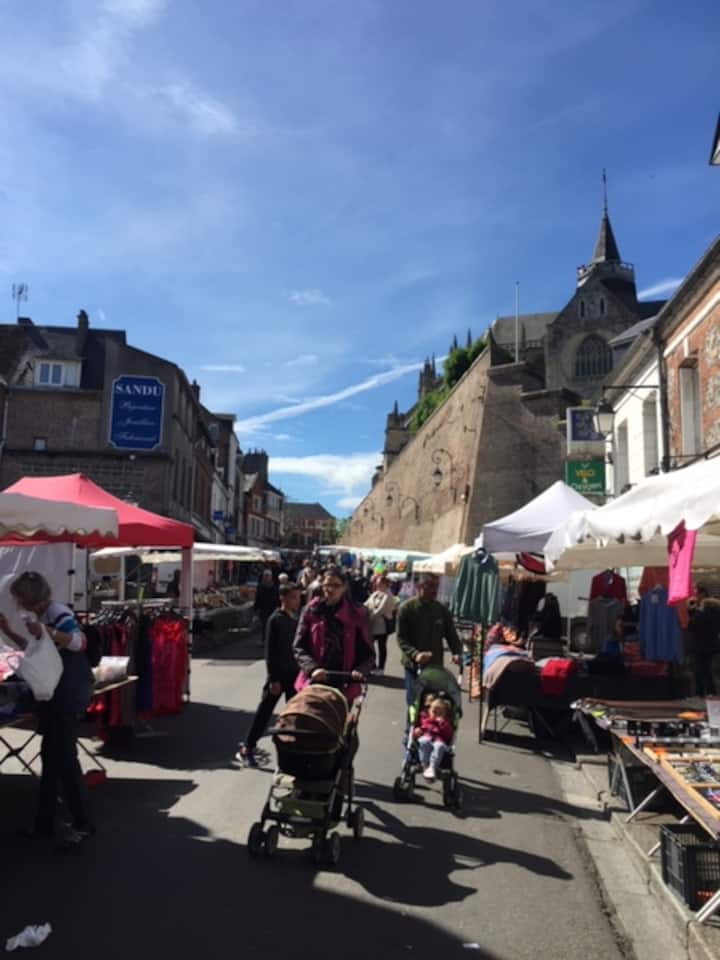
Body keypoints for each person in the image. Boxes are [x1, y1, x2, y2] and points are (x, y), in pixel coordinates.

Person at [0, 572, 94, 848]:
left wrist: (47, 631)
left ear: (29, 597)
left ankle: (83, 824)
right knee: (51, 761)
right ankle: (44, 825)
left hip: (67, 693)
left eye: (19, 598)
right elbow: (37, 650)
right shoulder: (40, 617)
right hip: (56, 695)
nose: (17, 603)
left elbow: (79, 642)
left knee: (64, 760)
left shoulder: (57, 612)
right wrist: (9, 632)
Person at [237, 583, 301, 767]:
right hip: (278, 676)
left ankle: (292, 753)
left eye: (298, 597)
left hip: (293, 675)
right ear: (283, 598)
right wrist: (273, 678)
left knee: (293, 716)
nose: (296, 601)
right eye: (293, 597)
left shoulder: (295, 619)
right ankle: (247, 747)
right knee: (265, 713)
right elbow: (270, 653)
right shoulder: (275, 620)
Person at [293, 566, 374, 703]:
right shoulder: (311, 610)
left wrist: (360, 670)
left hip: (344, 684)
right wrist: (312, 669)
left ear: (344, 587)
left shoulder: (358, 613)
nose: (330, 589)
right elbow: (298, 646)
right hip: (314, 681)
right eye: (327, 585)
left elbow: (368, 652)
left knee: (339, 722)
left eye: (336, 585)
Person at [397, 573, 462, 705]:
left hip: (435, 666)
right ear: (418, 586)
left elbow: (451, 634)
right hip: (414, 666)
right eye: (430, 586)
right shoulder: (406, 609)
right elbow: (401, 638)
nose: (434, 590)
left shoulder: (441, 609)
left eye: (437, 586)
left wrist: (456, 652)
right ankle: (412, 726)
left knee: (433, 704)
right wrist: (415, 655)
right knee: (414, 703)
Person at [687, 585, 720, 696]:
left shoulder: (703, 612)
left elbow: (692, 625)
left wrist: (694, 612)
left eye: (697, 594)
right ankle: (710, 693)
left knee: (702, 671)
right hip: (711, 645)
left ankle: (704, 694)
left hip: (701, 646)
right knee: (707, 671)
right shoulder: (715, 611)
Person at [412, 696, 454, 781]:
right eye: (434, 712)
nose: (436, 715)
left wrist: (443, 724)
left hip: (439, 739)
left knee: (439, 747)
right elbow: (422, 727)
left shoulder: (446, 722)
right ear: (429, 710)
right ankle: (425, 765)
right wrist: (417, 731)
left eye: (440, 713)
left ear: (444, 714)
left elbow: (449, 735)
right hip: (427, 736)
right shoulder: (425, 718)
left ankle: (432, 767)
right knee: (423, 742)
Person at [365, 575, 397, 675]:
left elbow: (380, 610)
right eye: (376, 583)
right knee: (368, 645)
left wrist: (367, 619)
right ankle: (372, 665)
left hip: (382, 626)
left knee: (381, 647)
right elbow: (366, 604)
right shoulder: (376, 593)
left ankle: (381, 668)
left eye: (379, 583)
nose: (377, 585)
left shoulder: (388, 595)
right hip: (373, 625)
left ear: (385, 584)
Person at [253, 569, 279, 646]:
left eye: (268, 576)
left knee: (272, 625)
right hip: (264, 608)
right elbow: (258, 598)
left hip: (272, 608)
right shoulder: (261, 586)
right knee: (265, 625)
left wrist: (278, 606)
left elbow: (277, 597)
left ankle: (272, 640)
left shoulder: (274, 586)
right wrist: (256, 608)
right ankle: (265, 640)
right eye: (266, 576)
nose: (267, 577)